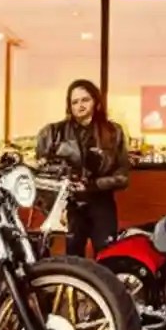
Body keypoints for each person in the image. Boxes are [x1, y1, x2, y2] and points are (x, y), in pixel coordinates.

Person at [35, 79, 130, 257]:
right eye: (75, 102)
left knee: (107, 257)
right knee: (72, 262)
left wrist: (92, 185)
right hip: (68, 206)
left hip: (101, 204)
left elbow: (123, 176)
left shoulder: (112, 132)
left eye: (85, 100)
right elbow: (41, 176)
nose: (80, 105)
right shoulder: (53, 133)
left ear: (95, 101)